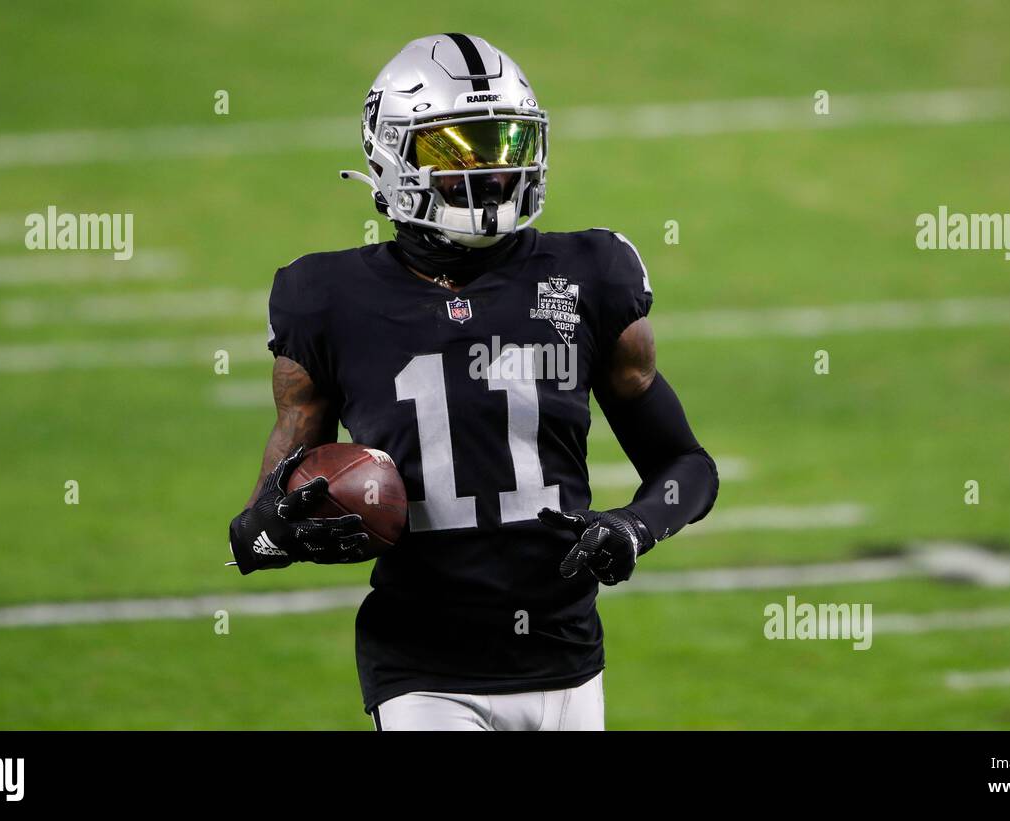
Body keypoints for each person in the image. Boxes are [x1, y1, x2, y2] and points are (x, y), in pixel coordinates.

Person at [227, 33, 718, 730]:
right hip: (423, 671)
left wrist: (636, 526)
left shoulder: (590, 276)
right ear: (392, 155)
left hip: (568, 657)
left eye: (504, 143)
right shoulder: (327, 299)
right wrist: (279, 528)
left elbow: (686, 465)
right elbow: (254, 533)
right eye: (455, 149)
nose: (490, 170)